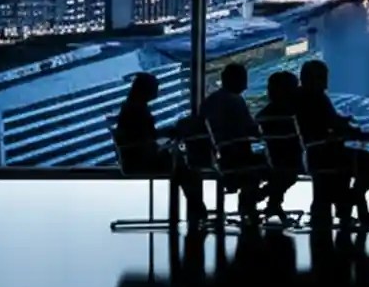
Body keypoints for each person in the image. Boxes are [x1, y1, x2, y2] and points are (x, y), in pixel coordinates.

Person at [300, 59, 369, 226]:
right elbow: (335, 123)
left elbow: (328, 122)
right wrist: (355, 130)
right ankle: (359, 201)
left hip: (315, 154)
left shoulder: (298, 98)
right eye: (323, 77)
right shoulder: (318, 98)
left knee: (360, 164)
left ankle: (362, 207)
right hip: (329, 153)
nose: (326, 82)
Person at [113, 71, 206, 224]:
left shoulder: (132, 108)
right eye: (155, 88)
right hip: (142, 161)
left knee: (183, 166)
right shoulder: (137, 110)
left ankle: (196, 210)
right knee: (187, 168)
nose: (157, 91)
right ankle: (197, 210)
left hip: (136, 159)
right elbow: (145, 139)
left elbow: (145, 136)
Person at [199, 63, 265, 220]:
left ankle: (249, 201)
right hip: (239, 158)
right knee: (278, 165)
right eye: (244, 79)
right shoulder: (235, 101)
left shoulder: (209, 102)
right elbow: (252, 130)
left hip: (221, 158)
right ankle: (251, 201)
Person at [255, 70, 301, 222]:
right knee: (287, 176)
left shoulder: (264, 114)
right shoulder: (293, 112)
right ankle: (267, 199)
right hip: (293, 157)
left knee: (282, 175)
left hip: (273, 157)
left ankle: (271, 202)